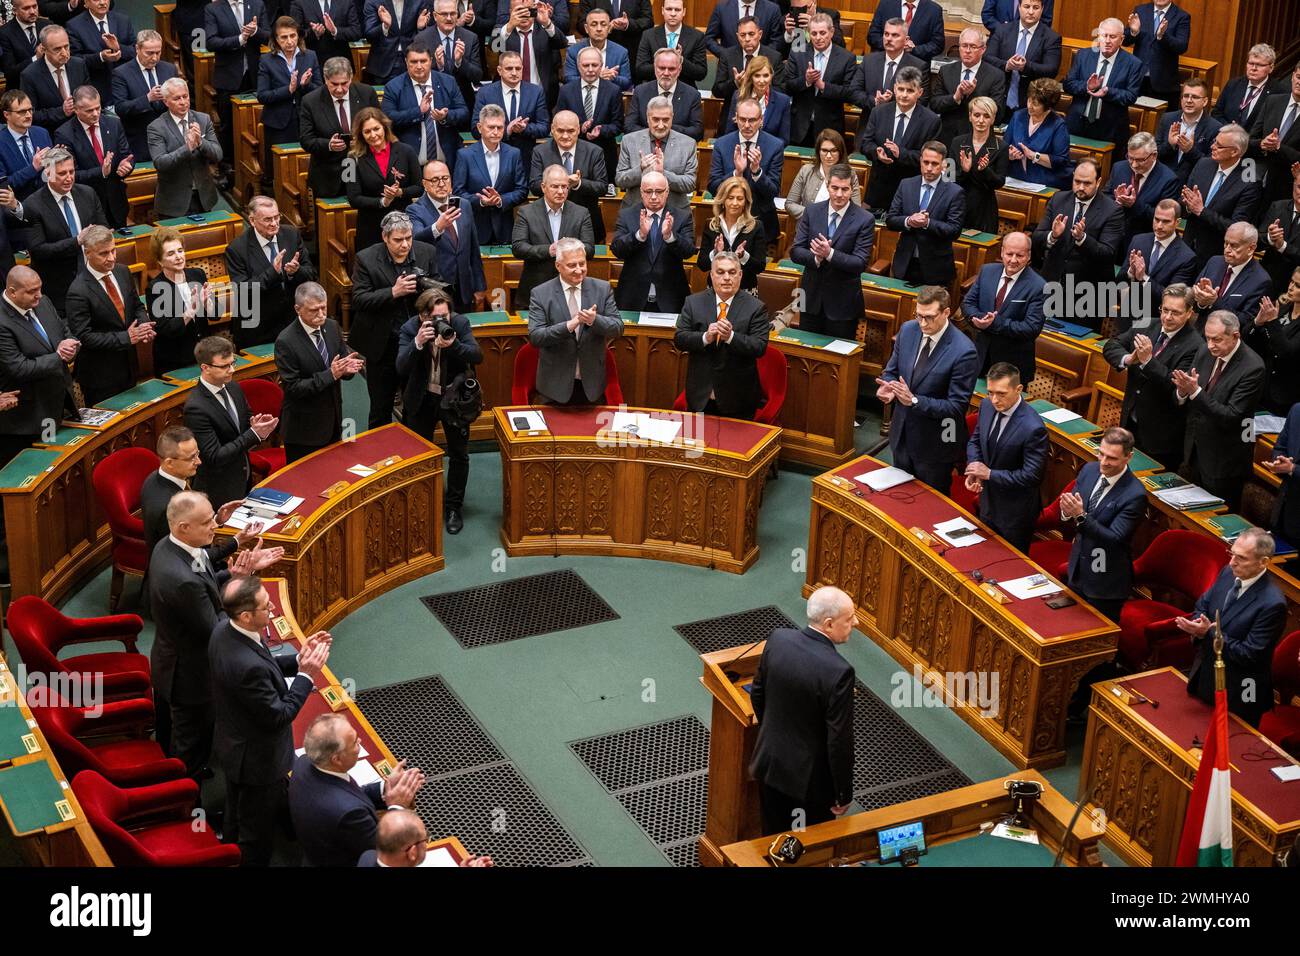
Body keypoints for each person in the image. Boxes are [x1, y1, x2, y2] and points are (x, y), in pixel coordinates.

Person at [149, 490, 283, 779]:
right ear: (184, 527)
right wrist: (241, 590)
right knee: (190, 748)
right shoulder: (181, 580)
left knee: (187, 737)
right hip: (189, 677)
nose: (215, 526)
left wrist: (233, 578)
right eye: (208, 522)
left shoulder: (169, 546)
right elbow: (218, 630)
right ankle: (188, 807)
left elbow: (206, 582)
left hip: (171, 656)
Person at [210, 575, 330, 866]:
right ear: (246, 615)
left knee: (237, 811)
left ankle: (227, 852)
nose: (273, 609)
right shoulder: (246, 665)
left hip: (234, 742)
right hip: (258, 761)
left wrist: (299, 659)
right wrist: (306, 675)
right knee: (256, 833)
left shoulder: (225, 629)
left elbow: (265, 662)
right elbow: (279, 716)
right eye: (266, 607)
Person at [749, 585, 855, 835]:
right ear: (829, 624)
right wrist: (843, 793)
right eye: (849, 619)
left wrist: (773, 734)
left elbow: (757, 693)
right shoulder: (839, 672)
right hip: (809, 785)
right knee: (810, 851)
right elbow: (838, 740)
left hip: (769, 764)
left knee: (772, 841)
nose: (856, 623)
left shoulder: (778, 639)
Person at [0, 266, 77, 579]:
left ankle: (52, 546)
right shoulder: (2, 322)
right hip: (22, 421)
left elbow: (62, 329)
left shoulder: (40, 303)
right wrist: (59, 356)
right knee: (23, 486)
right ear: (13, 291)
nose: (39, 296)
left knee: (51, 476)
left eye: (40, 288)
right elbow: (18, 368)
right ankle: (14, 562)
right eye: (32, 292)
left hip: (54, 407)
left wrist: (69, 343)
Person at [1177, 527, 1287, 726]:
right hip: (1205, 677)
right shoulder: (1228, 573)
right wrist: (1197, 625)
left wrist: (1208, 632)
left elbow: (1249, 654)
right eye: (1232, 553)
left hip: (1240, 693)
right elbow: (1203, 604)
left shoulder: (1273, 604)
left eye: (1241, 558)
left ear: (1263, 562)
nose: (1232, 562)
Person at [288, 712, 425, 867]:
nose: (359, 741)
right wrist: (397, 806)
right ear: (337, 759)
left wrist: (385, 789)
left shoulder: (304, 764)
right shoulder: (350, 814)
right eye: (354, 742)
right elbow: (384, 852)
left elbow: (345, 793)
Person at [395, 287, 481, 533]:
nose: (443, 321)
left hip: (453, 400)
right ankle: (421, 504)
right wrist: (418, 344)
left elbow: (477, 355)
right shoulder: (410, 329)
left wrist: (453, 345)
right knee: (419, 455)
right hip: (421, 400)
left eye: (446, 315)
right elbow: (400, 367)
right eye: (436, 318)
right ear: (423, 317)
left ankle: (454, 507)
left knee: (458, 454)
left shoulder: (460, 323)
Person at [876, 286, 979, 492]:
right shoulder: (908, 330)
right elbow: (891, 371)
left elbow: (956, 407)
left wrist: (914, 401)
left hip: (935, 446)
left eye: (929, 317)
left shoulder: (964, 351)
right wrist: (888, 387)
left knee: (929, 507)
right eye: (919, 315)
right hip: (902, 434)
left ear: (946, 312)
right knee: (899, 497)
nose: (923, 323)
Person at [351, 210, 437, 430]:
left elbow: (439, 289)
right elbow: (359, 299)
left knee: (415, 407)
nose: (406, 245)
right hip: (383, 346)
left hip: (416, 343)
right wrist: (393, 292)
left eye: (408, 238)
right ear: (385, 237)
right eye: (398, 240)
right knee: (381, 409)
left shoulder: (426, 252)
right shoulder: (366, 258)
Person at [1101, 283, 1202, 467]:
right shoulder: (1146, 322)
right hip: (1129, 422)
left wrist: (1148, 361)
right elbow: (1111, 345)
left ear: (1189, 313)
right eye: (1165, 310)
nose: (1168, 317)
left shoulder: (1196, 345)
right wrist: (1129, 359)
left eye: (1176, 312)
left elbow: (1175, 387)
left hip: (1161, 439)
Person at [1175, 310, 1266, 512]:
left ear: (1235, 336)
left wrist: (1195, 392)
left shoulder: (1253, 368)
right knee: (1192, 515)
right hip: (1196, 449)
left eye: (1216, 339)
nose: (1210, 345)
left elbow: (1231, 416)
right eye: (1207, 338)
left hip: (1225, 460)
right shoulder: (1204, 351)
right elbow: (1191, 394)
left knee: (1216, 520)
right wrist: (1182, 392)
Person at [1057, 426, 1147, 623]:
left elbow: (1114, 538)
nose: (1104, 463)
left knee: (1095, 639)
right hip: (1078, 569)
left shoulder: (1135, 494)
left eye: (1112, 458)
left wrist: (1080, 515)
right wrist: (1066, 511)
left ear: (1128, 457)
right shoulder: (1089, 470)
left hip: (1105, 582)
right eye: (1101, 454)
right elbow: (1071, 506)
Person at [184, 336, 280, 509]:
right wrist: (253, 434)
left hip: (243, 477)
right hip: (218, 490)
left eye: (233, 363)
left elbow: (244, 424)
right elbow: (215, 456)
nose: (232, 370)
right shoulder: (196, 407)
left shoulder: (233, 387)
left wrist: (256, 424)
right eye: (225, 366)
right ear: (205, 368)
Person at [526, 237, 623, 405]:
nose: (579, 270)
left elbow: (618, 328)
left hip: (592, 386)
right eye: (572, 265)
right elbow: (536, 337)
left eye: (582, 264)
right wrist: (569, 326)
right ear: (558, 266)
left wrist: (595, 320)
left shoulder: (602, 289)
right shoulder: (541, 293)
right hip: (554, 387)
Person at [274, 282, 364, 462]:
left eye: (323, 307)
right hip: (304, 431)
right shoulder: (285, 341)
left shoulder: (331, 327)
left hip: (333, 421)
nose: (321, 314)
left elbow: (341, 366)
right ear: (297, 309)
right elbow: (293, 388)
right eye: (314, 310)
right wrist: (330, 375)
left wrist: (347, 370)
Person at [1030, 159, 1124, 329]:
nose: (1080, 187)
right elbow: (1037, 237)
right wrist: (1053, 236)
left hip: (1088, 295)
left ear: (1098, 182)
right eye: (1077, 181)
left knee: (1075, 348)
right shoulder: (1058, 199)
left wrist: (1082, 239)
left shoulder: (1113, 211)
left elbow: (1108, 253)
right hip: (1053, 286)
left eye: (1087, 183)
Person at [963, 362, 1047, 553]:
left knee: (1008, 564)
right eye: (990, 392)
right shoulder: (986, 405)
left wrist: (990, 474)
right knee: (984, 554)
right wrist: (975, 467)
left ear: (1019, 389)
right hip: (987, 500)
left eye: (1001, 394)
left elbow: (1031, 476)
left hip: (1015, 513)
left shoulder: (1033, 428)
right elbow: (975, 441)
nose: (994, 399)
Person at [65, 224, 153, 406]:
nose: (111, 258)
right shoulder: (78, 291)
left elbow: (136, 305)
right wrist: (126, 337)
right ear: (87, 253)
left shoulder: (122, 271)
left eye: (113, 251)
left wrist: (143, 326)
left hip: (129, 365)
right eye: (104, 253)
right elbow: (84, 336)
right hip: (100, 376)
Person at [675, 251, 769, 421]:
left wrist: (731, 336)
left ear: (740, 275)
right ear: (711, 275)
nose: (726, 277)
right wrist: (706, 337)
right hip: (700, 396)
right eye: (720, 272)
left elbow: (759, 346)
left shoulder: (756, 308)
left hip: (738, 398)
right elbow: (680, 338)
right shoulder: (693, 302)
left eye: (732, 272)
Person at [15, 145, 105, 311]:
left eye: (71, 172)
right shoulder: (32, 205)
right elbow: (38, 250)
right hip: (58, 287)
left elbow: (103, 228)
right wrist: (77, 241)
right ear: (47, 173)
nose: (69, 178)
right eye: (62, 173)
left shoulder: (88, 193)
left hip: (93, 279)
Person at [790, 164, 872, 339]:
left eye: (845, 189)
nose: (839, 194)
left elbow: (860, 263)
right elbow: (796, 251)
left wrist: (830, 254)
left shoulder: (864, 219)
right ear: (827, 185)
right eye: (835, 188)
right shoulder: (812, 211)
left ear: (852, 189)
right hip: (810, 300)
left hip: (843, 305)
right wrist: (816, 257)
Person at [225, 195, 318, 349]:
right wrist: (272, 273)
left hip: (291, 320)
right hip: (257, 326)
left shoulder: (291, 235)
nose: (274, 223)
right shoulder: (237, 249)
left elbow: (311, 273)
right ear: (252, 220)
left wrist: (296, 271)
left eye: (277, 217)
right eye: (268, 219)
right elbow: (243, 289)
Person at [962, 231, 1045, 384]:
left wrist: (994, 323)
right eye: (1009, 254)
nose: (1013, 260)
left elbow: (1031, 328)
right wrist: (979, 319)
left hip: (1012, 366)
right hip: (980, 359)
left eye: (1019, 255)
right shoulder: (987, 271)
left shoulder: (1039, 286)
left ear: (1028, 256)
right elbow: (968, 303)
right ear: (1002, 252)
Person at [405, 159, 486, 313]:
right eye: (434, 180)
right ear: (425, 184)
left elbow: (473, 249)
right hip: (435, 290)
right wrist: (438, 227)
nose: (441, 184)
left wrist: (479, 286)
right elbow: (415, 241)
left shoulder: (464, 205)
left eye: (445, 178)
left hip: (464, 289)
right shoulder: (414, 210)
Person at [610, 170, 694, 314]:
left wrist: (670, 237)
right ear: (641, 193)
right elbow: (617, 249)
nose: (654, 196)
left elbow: (689, 251)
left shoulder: (682, 216)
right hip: (633, 298)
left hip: (671, 299)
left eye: (659, 191)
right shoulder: (627, 215)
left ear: (667, 192)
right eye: (648, 192)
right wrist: (639, 235)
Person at [857, 65, 939, 212]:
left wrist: (901, 153)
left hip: (909, 192)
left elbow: (929, 157)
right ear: (894, 89)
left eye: (910, 90)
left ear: (920, 92)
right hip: (878, 190)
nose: (904, 95)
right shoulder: (878, 112)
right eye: (901, 89)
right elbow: (865, 143)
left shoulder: (931, 120)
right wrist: (877, 152)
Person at [512, 164, 594, 308]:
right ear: (543, 187)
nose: (561, 191)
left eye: (564, 186)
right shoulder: (526, 212)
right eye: (555, 187)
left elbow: (589, 248)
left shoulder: (581, 213)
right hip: (535, 288)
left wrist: (569, 251)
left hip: (572, 289)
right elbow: (518, 247)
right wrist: (549, 250)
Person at [299, 56, 379, 200]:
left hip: (364, 172)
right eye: (334, 84)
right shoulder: (310, 101)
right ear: (325, 79)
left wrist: (364, 141)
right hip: (328, 177)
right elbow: (306, 140)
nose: (340, 89)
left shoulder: (366, 93)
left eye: (344, 83)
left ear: (351, 77)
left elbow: (380, 129)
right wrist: (328, 144)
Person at [886, 141, 965, 287]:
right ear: (920, 161)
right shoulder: (906, 184)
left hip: (936, 269)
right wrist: (909, 220)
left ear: (944, 165)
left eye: (934, 164)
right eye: (926, 162)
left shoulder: (954, 192)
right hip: (905, 264)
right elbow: (891, 220)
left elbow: (954, 231)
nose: (929, 168)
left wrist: (927, 223)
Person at [1180, 124, 1261, 266]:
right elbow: (1184, 201)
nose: (1212, 147)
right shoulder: (1203, 164)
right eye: (1214, 141)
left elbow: (1237, 228)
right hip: (1186, 247)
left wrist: (1201, 211)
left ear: (1235, 152)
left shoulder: (1250, 183)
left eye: (1219, 145)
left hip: (1215, 257)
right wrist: (1188, 206)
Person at [1064, 17, 1146, 151]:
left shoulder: (1133, 64)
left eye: (1113, 37)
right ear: (1098, 37)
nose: (1107, 41)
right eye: (1104, 36)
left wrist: (1107, 91)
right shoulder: (1083, 55)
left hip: (1110, 129)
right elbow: (1068, 84)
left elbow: (1131, 96)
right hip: (1077, 124)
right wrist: (1087, 87)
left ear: (1121, 39)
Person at [709, 97, 783, 247]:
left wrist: (757, 172)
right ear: (735, 118)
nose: (747, 125)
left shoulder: (775, 146)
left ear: (761, 119)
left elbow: (773, 191)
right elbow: (713, 187)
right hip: (727, 222)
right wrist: (736, 173)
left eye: (752, 120)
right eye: (742, 120)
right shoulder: (722, 144)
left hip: (761, 223)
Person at [346, 106, 422, 250]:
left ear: (385, 127)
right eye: (367, 131)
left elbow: (419, 188)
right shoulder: (349, 159)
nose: (373, 135)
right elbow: (353, 198)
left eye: (376, 129)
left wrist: (400, 192)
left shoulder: (407, 151)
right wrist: (382, 202)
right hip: (370, 227)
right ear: (360, 134)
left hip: (402, 224)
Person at [54, 85, 131, 227]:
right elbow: (71, 174)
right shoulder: (64, 134)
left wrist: (126, 167)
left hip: (116, 202)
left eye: (98, 108)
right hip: (87, 205)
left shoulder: (113, 123)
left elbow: (126, 156)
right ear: (76, 110)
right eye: (89, 110)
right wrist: (101, 171)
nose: (96, 113)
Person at [205, 0, 270, 165]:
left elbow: (268, 37)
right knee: (229, 125)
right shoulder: (213, 9)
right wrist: (240, 39)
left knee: (256, 123)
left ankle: (257, 163)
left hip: (255, 75)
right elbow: (211, 42)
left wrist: (255, 31)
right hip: (228, 77)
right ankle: (229, 165)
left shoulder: (257, 4)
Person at [452, 103, 527, 246]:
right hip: (475, 228)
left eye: (499, 127)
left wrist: (500, 200)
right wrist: (480, 201)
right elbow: (458, 192)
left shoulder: (513, 154)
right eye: (491, 127)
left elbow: (522, 190)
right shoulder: (465, 155)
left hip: (505, 228)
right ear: (480, 128)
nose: (496, 132)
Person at [530, 110, 609, 244]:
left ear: (578, 130)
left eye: (571, 131)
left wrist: (578, 184)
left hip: (586, 223)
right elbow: (534, 186)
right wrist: (558, 183)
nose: (565, 136)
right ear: (552, 130)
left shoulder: (594, 152)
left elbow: (602, 187)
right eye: (560, 131)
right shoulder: (540, 152)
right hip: (549, 223)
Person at [146, 77, 222, 218]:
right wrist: (188, 147)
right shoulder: (156, 127)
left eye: (185, 96)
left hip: (203, 197)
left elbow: (218, 154)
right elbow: (161, 163)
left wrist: (200, 142)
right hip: (173, 202)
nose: (183, 102)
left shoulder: (203, 119)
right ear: (166, 102)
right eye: (176, 99)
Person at [257, 16, 321, 178]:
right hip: (278, 122)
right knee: (281, 171)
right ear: (276, 40)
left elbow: (321, 90)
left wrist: (305, 85)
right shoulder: (266, 60)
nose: (290, 41)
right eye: (284, 37)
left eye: (293, 36)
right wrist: (289, 89)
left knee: (305, 167)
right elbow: (262, 96)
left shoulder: (310, 56)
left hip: (306, 119)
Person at [780, 12, 857, 148]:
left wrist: (823, 86)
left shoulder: (847, 58)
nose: (818, 38)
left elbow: (850, 93)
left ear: (831, 32)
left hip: (830, 128)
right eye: (814, 33)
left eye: (822, 33)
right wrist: (806, 80)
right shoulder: (798, 51)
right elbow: (786, 86)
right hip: (799, 128)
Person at [470, 49, 547, 180]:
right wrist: (507, 130)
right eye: (509, 68)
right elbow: (475, 129)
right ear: (499, 70)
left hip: (525, 159)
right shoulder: (485, 93)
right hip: (493, 158)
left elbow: (544, 127)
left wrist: (525, 129)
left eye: (518, 68)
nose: (514, 73)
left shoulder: (535, 92)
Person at [614, 95, 695, 217]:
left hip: (675, 213)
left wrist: (663, 173)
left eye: (666, 120)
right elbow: (620, 180)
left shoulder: (688, 144)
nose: (661, 125)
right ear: (648, 118)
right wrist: (641, 169)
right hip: (635, 212)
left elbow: (690, 184)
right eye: (656, 119)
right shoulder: (629, 141)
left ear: (672, 118)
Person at [146, 227, 213, 375]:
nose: (178, 257)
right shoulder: (155, 288)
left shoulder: (197, 274)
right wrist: (191, 310)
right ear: (159, 261)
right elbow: (166, 330)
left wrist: (207, 302)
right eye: (171, 253)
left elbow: (215, 316)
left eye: (180, 250)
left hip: (204, 356)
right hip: (175, 362)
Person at [1106, 131, 1180, 262]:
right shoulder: (1119, 168)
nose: (1134, 165)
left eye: (1140, 160)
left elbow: (1162, 218)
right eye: (1130, 158)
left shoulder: (1169, 180)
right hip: (1112, 237)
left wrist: (1134, 204)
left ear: (1154, 156)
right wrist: (1117, 200)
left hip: (1141, 244)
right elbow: (1105, 197)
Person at [554, 46, 622, 185]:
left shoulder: (613, 91)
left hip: (604, 154)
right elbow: (558, 122)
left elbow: (618, 125)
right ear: (579, 66)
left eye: (594, 65)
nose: (590, 69)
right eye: (586, 65)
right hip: (574, 154)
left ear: (601, 66)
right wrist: (579, 128)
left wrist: (601, 130)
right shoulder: (566, 91)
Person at [109, 30, 178, 163]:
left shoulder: (169, 69)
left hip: (168, 139)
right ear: (137, 49)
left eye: (158, 52)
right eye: (149, 53)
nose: (155, 58)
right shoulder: (121, 73)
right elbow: (121, 108)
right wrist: (147, 99)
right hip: (140, 140)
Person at [984, 0, 1059, 121]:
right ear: (1019, 7)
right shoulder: (1002, 30)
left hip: (1030, 105)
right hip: (999, 100)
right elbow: (987, 58)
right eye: (1026, 7)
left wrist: (1026, 67)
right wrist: (1006, 65)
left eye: (1035, 8)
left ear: (1042, 9)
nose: (1030, 12)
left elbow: (1051, 69)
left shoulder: (1051, 37)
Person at [1122, 199, 1199, 314]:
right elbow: (1120, 278)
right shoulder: (1138, 240)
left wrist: (1144, 277)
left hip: (1157, 318)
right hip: (1129, 311)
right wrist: (1130, 272)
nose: (1159, 226)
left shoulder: (1187, 257)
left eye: (1166, 221)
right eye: (1156, 219)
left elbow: (1172, 297)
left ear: (1177, 222)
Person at [1190, 222, 1273, 330]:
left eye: (1234, 245)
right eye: (1226, 243)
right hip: (1199, 331)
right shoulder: (1214, 262)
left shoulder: (1261, 281)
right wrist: (1201, 302)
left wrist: (1215, 302)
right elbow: (1194, 301)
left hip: (1226, 341)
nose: (1227, 250)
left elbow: (1246, 322)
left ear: (1251, 248)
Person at [930, 27, 1005, 144]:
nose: (967, 50)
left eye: (973, 46)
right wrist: (956, 97)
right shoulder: (946, 71)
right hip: (948, 138)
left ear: (983, 49)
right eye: (964, 46)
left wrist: (973, 94)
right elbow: (934, 104)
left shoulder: (996, 75)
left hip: (978, 140)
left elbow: (998, 114)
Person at [852, 16, 926, 133]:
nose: (889, 39)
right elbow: (854, 92)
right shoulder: (868, 61)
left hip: (900, 130)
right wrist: (875, 101)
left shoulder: (918, 66)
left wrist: (891, 103)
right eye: (886, 34)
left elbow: (922, 102)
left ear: (906, 40)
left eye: (895, 35)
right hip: (868, 129)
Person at [697, 176, 766, 293]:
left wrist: (743, 256)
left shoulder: (756, 226)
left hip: (745, 291)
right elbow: (702, 265)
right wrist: (715, 253)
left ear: (746, 202)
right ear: (723, 200)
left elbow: (760, 267)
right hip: (716, 290)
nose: (735, 203)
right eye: (730, 198)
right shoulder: (711, 225)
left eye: (740, 199)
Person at [412, 0, 483, 112]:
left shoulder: (470, 38)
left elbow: (477, 75)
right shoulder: (422, 39)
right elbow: (417, 73)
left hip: (463, 104)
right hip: (433, 102)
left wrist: (460, 62)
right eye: (444, 14)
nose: (449, 18)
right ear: (435, 16)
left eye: (453, 14)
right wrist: (438, 66)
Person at [783, 128, 858, 232]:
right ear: (818, 151)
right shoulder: (806, 171)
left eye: (833, 151)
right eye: (824, 150)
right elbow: (790, 204)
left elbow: (856, 211)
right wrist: (814, 215)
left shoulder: (850, 174)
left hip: (837, 232)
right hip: (807, 230)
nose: (828, 156)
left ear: (840, 152)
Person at [1247, 62, 1300, 207]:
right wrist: (1262, 144)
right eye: (1299, 77)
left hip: (1285, 187)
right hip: (1252, 176)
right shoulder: (1273, 101)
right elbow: (1250, 140)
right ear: (1293, 77)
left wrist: (1279, 147)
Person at [19, 25, 88, 137]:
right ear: (44, 49)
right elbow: (30, 114)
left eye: (66, 47)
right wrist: (62, 111)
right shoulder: (29, 75)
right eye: (57, 49)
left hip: (82, 131)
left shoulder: (79, 65)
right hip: (52, 135)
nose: (64, 53)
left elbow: (87, 94)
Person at [1002, 76, 1070, 189]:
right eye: (1029, 100)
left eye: (1036, 104)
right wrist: (1010, 155)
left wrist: (1034, 156)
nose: (1030, 106)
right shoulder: (1018, 116)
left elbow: (1060, 161)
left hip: (1043, 181)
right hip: (1014, 177)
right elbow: (1004, 147)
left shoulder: (1058, 125)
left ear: (1048, 106)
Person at [950, 97, 1006, 234]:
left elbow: (1000, 182)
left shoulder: (1001, 147)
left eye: (986, 116)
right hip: (957, 205)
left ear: (993, 119)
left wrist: (985, 170)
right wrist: (964, 171)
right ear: (970, 117)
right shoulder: (957, 142)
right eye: (977, 115)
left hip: (984, 208)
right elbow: (947, 178)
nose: (981, 120)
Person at [1247, 270, 1300, 414]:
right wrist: (1257, 322)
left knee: (1266, 434)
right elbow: (1250, 340)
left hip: (1282, 396)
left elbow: (1286, 353)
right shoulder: (1282, 307)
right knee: (1246, 432)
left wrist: (1272, 321)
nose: (1290, 287)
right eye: (1291, 281)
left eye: (1298, 285)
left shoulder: (1274, 316)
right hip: (1258, 384)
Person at [625, 46, 703, 141]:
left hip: (678, 149)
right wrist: (654, 133)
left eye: (671, 69)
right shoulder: (640, 92)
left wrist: (666, 130)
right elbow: (629, 127)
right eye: (662, 68)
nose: (666, 73)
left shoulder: (692, 95)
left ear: (679, 70)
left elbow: (697, 132)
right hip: (646, 147)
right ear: (654, 68)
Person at [65, 0, 135, 104]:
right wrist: (101, 57)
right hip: (96, 87)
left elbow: (136, 50)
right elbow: (75, 60)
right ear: (86, 3)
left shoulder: (123, 20)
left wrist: (119, 47)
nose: (102, 2)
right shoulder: (74, 26)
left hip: (125, 86)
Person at [710, 12, 780, 115]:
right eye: (743, 35)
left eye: (751, 34)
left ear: (760, 34)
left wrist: (761, 86)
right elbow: (717, 91)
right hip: (734, 115)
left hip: (766, 115)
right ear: (738, 36)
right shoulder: (727, 56)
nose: (747, 39)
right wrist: (735, 83)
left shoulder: (773, 57)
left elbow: (781, 90)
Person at [1122, 1, 1190, 107]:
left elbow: (1181, 47)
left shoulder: (1181, 16)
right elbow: (1125, 41)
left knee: (1160, 121)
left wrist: (1163, 36)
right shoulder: (1140, 10)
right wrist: (1133, 32)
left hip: (1163, 83)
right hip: (1137, 79)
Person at [498, 0, 566, 105]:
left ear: (535, 9)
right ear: (511, 12)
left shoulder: (545, 27)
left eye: (529, 10)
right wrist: (510, 26)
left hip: (542, 94)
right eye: (519, 10)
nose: (525, 15)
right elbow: (494, 47)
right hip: (510, 94)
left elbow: (562, 43)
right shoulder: (503, 29)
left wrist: (547, 23)